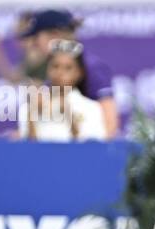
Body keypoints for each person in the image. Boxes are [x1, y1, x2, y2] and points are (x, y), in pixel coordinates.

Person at [13, 9, 120, 138]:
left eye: (36, 38)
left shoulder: (91, 67)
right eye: (55, 67)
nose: (33, 45)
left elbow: (109, 126)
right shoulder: (49, 71)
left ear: (54, 35)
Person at [17, 39, 107, 142]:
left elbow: (94, 151)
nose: (60, 72)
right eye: (55, 66)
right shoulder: (30, 107)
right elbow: (27, 151)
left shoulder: (91, 109)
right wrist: (32, 115)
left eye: (68, 68)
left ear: (79, 73)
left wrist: (69, 117)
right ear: (47, 69)